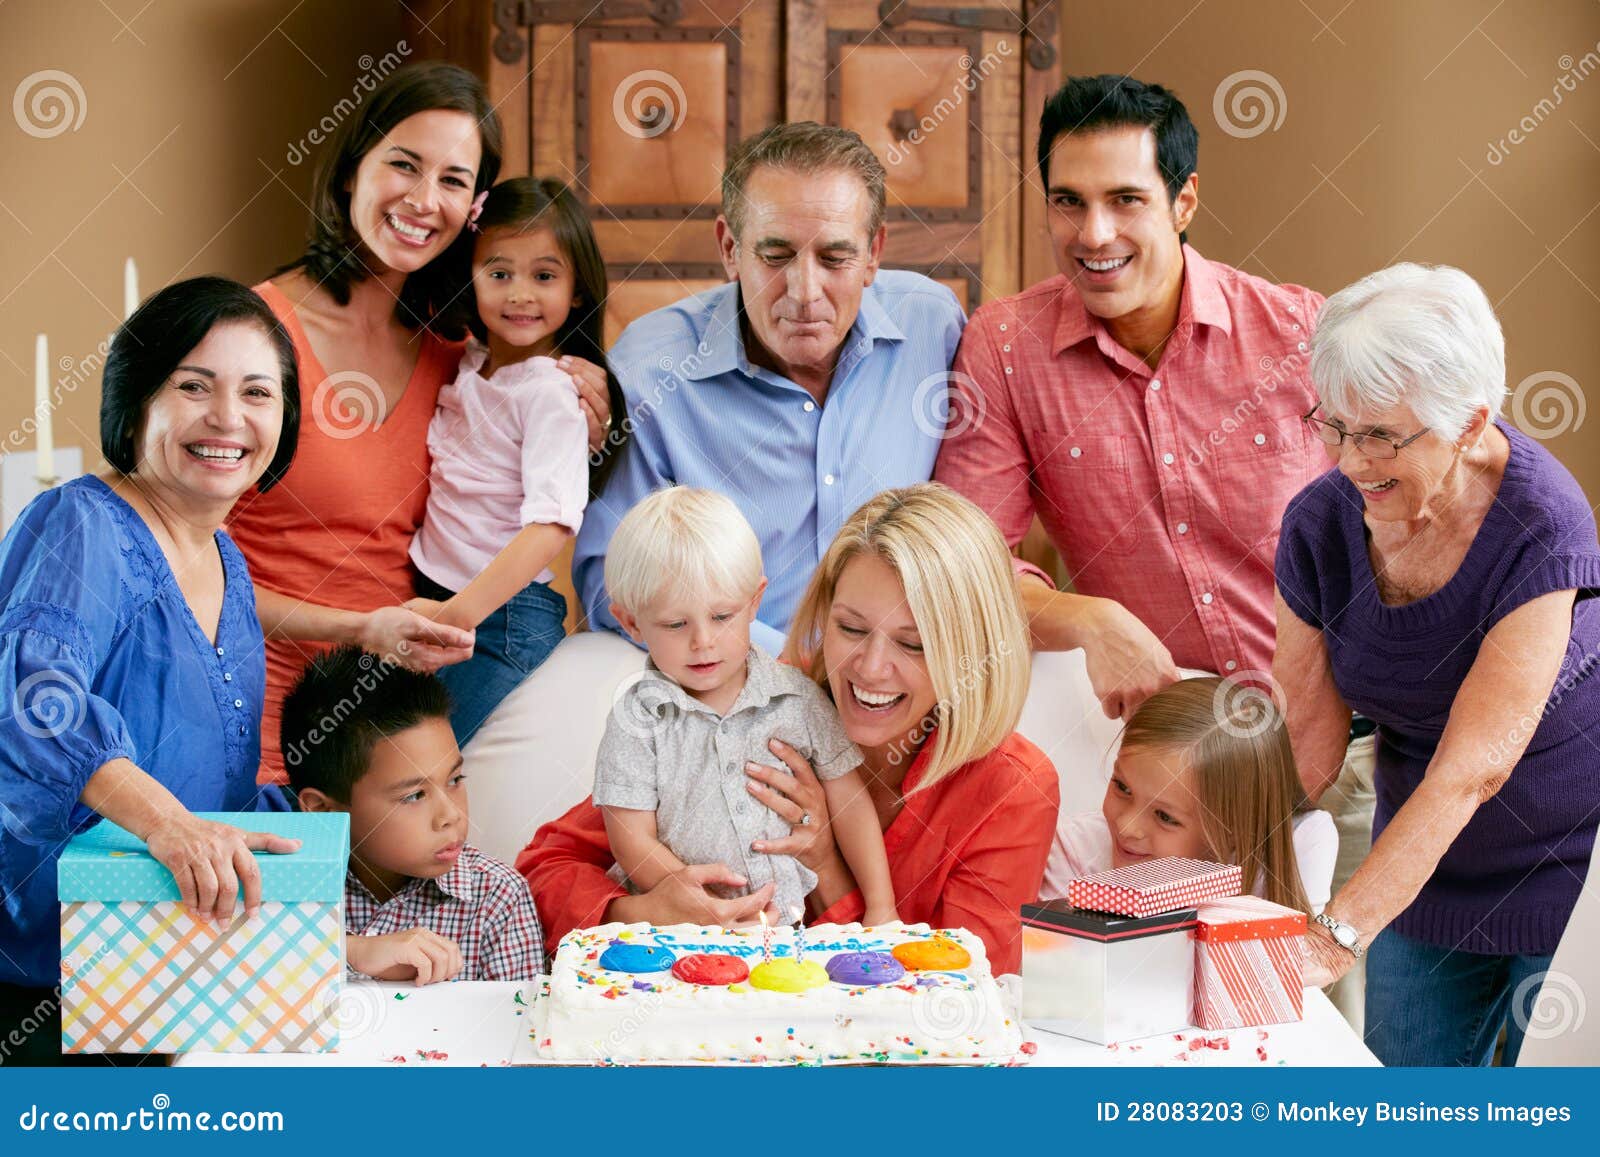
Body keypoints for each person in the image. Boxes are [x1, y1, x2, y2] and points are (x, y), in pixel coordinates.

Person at [932, 72, 1375, 1020]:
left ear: (1184, 199)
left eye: (1126, 199)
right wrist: (1083, 614)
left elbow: (1408, 520)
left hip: (1327, 768)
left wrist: (1329, 717)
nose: (1094, 234)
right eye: (1068, 201)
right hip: (1155, 791)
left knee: (1318, 1049)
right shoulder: (1004, 350)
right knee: (1145, 1032)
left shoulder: (1302, 333)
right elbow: (962, 566)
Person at [228, 62, 613, 784]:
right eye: (403, 164)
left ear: (474, 206)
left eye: (453, 179)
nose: (423, 199)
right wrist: (359, 631)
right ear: (351, 171)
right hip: (259, 719)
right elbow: (185, 567)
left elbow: (530, 474)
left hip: (385, 714)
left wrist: (595, 405)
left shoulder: (457, 359)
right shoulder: (254, 335)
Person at [521, 484, 1059, 975]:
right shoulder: (767, 702)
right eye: (850, 628)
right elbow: (546, 868)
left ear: (974, 649)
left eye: (913, 643)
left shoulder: (1013, 790)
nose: (870, 669)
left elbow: (960, 996)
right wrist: (645, 909)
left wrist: (826, 864)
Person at [1275, 263, 1600, 1066]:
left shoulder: (1543, 524)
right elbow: (1306, 736)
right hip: (1421, 863)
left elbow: (1470, 771)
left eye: (1383, 435)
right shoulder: (1320, 525)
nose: (1352, 461)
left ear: (1468, 421)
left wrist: (1337, 932)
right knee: (1410, 1109)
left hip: (1571, 864)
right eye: (1336, 428)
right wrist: (1220, 883)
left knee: (1548, 1118)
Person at [0, 279, 302, 1062]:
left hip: (164, 962)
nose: (228, 419)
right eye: (193, 386)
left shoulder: (224, 557)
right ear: (137, 402)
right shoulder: (80, 522)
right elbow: (34, 703)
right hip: (46, 975)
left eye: (257, 392)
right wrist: (168, 824)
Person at [571, 121, 966, 653]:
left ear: (873, 253)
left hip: (903, 681)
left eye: (835, 257)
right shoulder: (652, 371)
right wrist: (778, 663)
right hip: (730, 684)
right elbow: (610, 583)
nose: (805, 292)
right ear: (730, 248)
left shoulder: (932, 325)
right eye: (776, 256)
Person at [593, 487, 897, 926]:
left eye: (722, 617)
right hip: (678, 932)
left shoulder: (797, 699)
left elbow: (850, 804)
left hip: (786, 930)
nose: (703, 641)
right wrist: (700, 901)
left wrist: (882, 907)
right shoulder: (637, 718)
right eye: (676, 624)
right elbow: (629, 836)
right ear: (631, 623)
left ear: (754, 601)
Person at [403, 177, 628, 745]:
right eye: (499, 274)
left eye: (544, 276)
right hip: (446, 598)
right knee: (402, 755)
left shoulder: (552, 393)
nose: (520, 294)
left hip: (501, 619)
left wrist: (461, 613)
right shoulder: (471, 362)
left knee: (426, 759)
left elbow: (551, 524)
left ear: (577, 290)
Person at [285, 646, 545, 983]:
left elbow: (523, 1028)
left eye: (454, 780)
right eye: (414, 795)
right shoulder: (283, 891)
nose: (450, 815)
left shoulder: (498, 899)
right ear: (324, 809)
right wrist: (348, 951)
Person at [1042, 677, 1337, 913]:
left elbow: (1292, 971)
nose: (1128, 827)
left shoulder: (1299, 845)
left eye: (1165, 817)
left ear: (1235, 829)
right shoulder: (1073, 849)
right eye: (1122, 787)